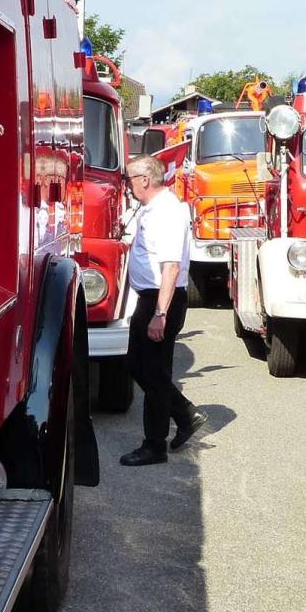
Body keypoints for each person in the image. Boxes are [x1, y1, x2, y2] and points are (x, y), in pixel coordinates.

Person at [120, 155, 207, 466]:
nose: (127, 186)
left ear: (145, 180)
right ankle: (184, 414)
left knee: (155, 373)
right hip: (150, 298)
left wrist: (160, 314)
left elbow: (170, 266)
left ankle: (154, 445)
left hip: (161, 298)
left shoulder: (168, 210)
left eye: (128, 179)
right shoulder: (150, 209)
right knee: (137, 365)